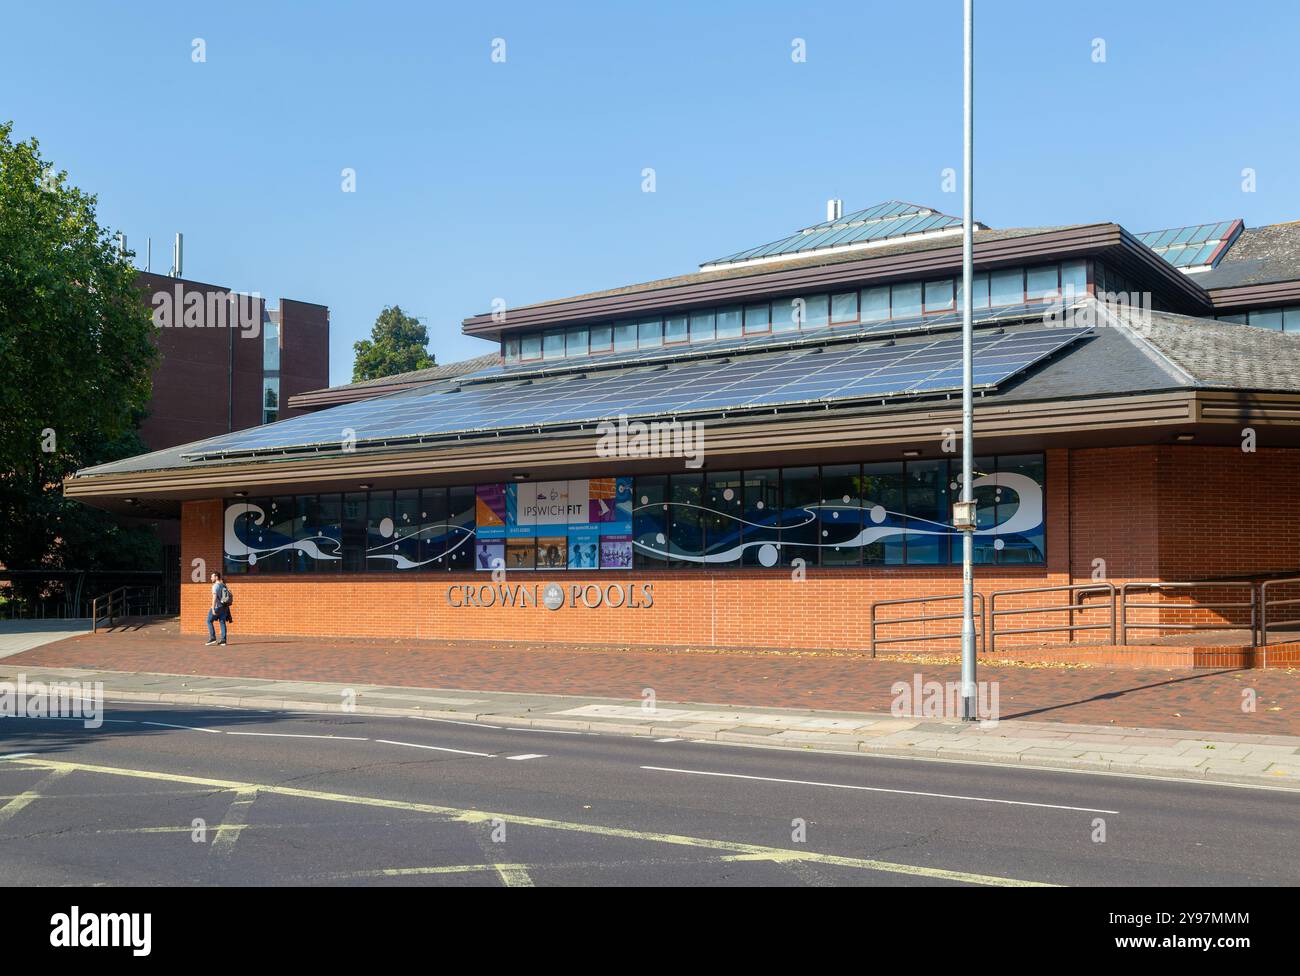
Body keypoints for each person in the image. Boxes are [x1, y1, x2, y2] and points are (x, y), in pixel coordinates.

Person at [206, 571, 232, 646]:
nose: (211, 578)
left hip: (217, 607)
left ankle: (212, 638)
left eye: (212, 577)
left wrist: (213, 608)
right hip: (224, 607)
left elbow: (214, 598)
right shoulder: (223, 585)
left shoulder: (215, 586)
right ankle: (223, 640)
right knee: (222, 622)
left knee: (209, 621)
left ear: (216, 577)